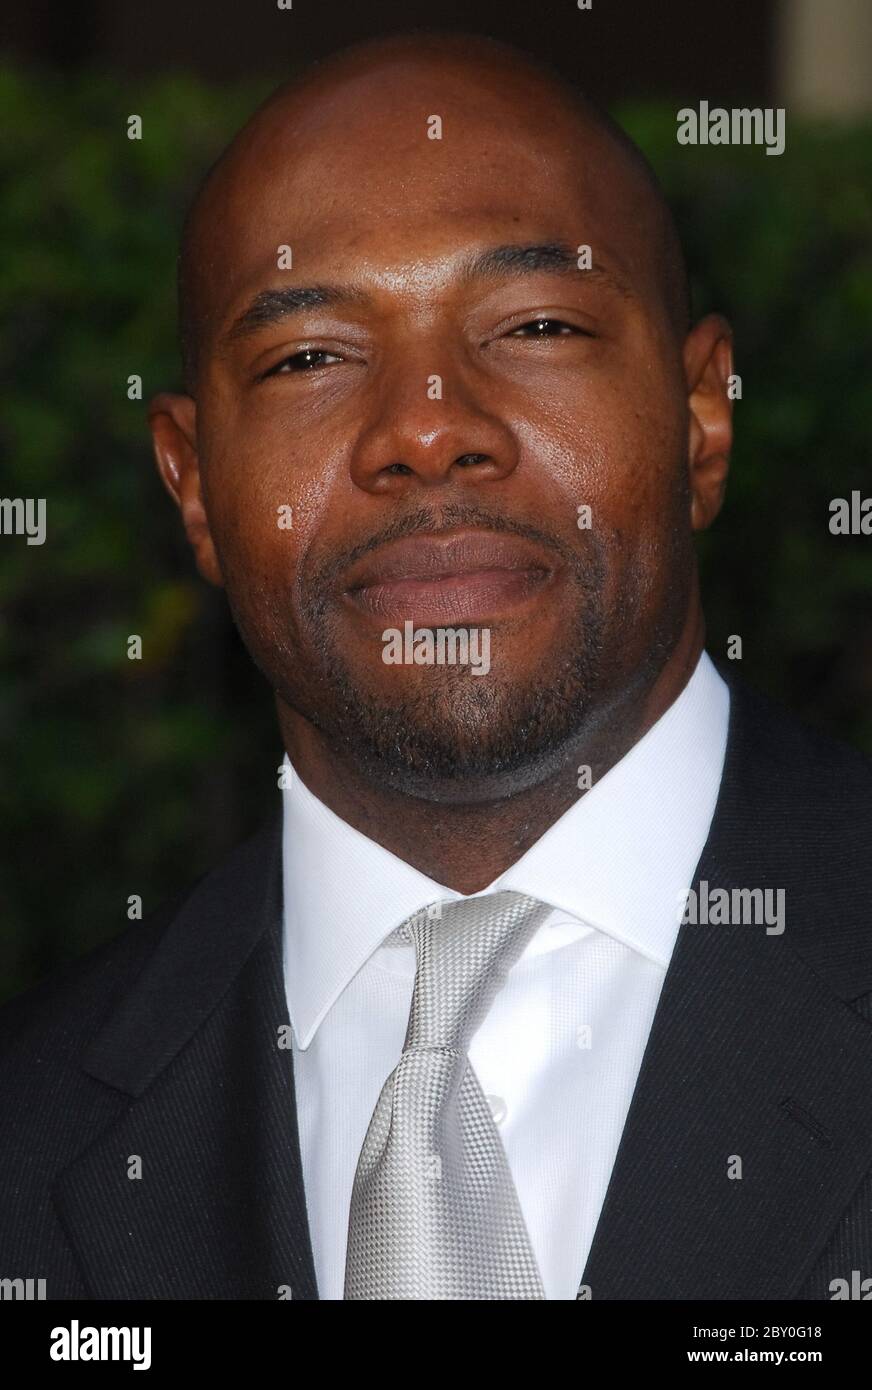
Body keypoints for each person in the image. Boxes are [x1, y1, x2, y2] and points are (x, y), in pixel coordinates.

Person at [1, 31, 870, 1302]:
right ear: (191, 486)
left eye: (532, 324)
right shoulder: (31, 1132)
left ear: (699, 417)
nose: (424, 425)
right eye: (308, 356)